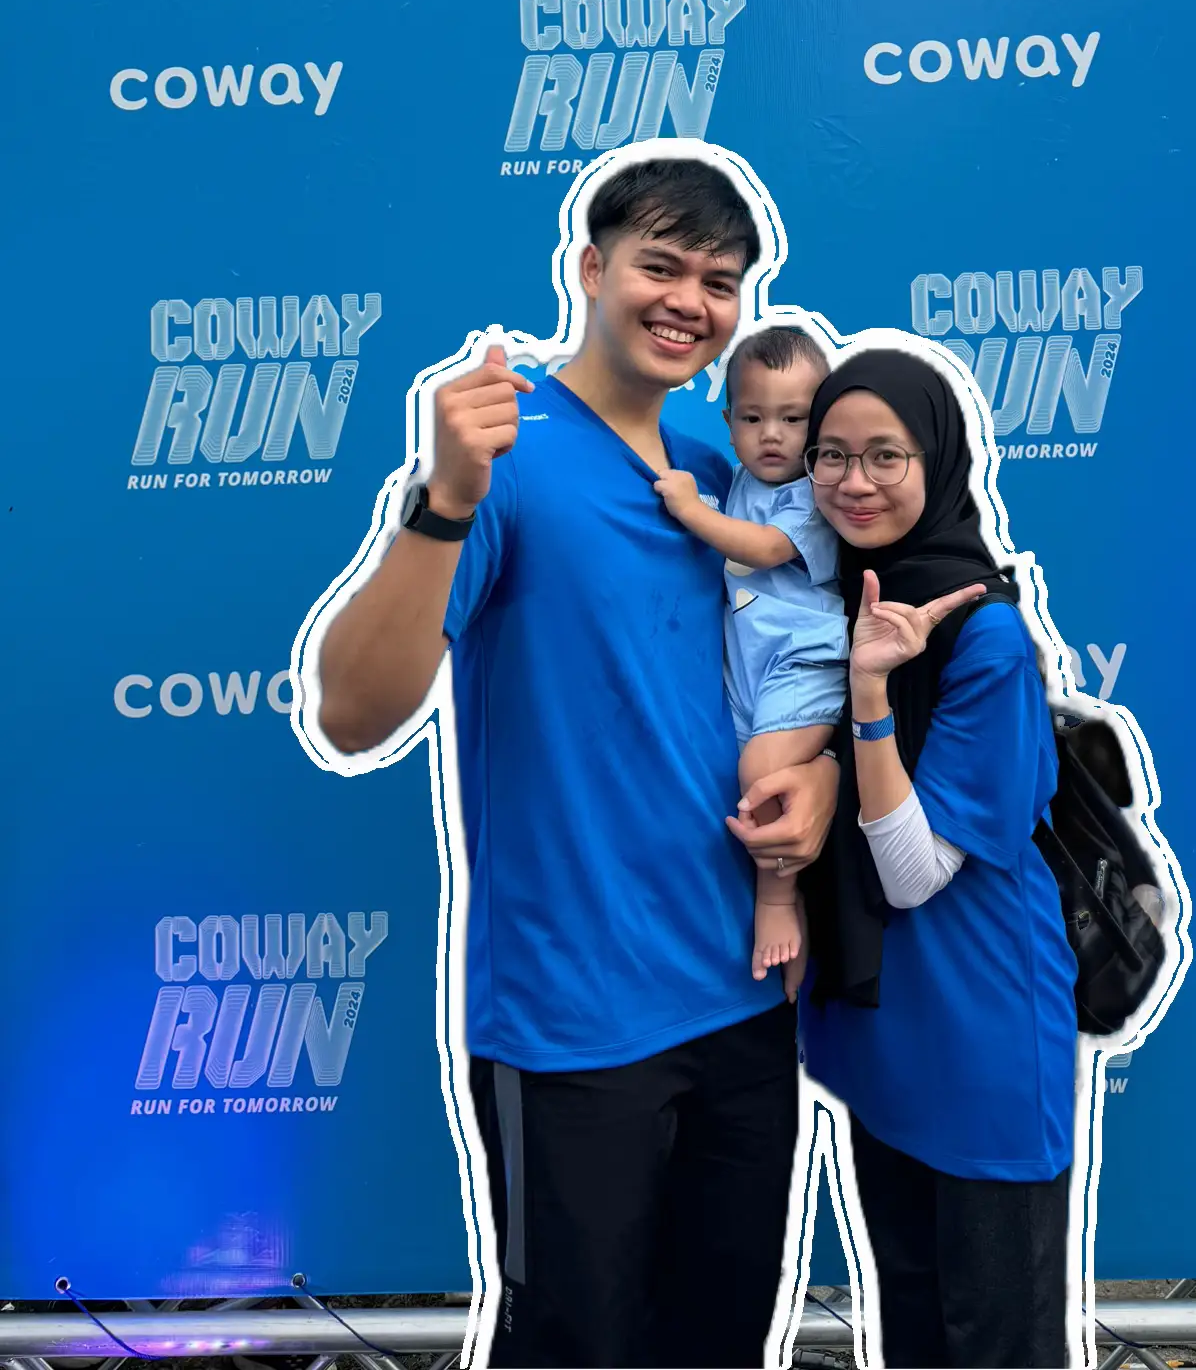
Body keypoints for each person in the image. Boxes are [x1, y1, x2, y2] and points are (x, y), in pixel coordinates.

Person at [313, 156, 841, 1370]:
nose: (689, 299)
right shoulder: (503, 457)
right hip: (572, 1018)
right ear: (591, 267)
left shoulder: (729, 462)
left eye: (720, 279)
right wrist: (446, 499)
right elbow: (350, 713)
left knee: (719, 1347)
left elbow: (798, 668)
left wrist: (815, 777)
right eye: (661, 264)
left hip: (746, 996)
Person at [798, 347, 1081, 1370]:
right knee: (914, 1333)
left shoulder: (982, 636)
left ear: (940, 459)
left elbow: (913, 872)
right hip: (883, 1038)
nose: (856, 481)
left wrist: (871, 694)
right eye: (832, 453)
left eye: (887, 454)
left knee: (994, 1344)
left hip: (980, 1035)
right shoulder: (819, 602)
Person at [655, 325, 848, 995]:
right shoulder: (733, 481)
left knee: (762, 773)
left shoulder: (818, 495)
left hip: (806, 664)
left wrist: (688, 509)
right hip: (747, 672)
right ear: (729, 423)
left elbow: (763, 549)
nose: (772, 435)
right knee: (736, 781)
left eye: (794, 420)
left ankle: (778, 901)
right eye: (753, 417)